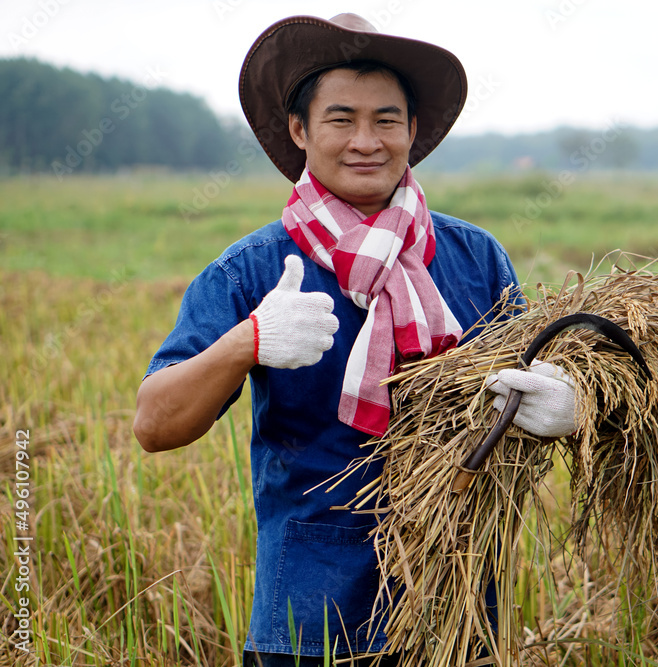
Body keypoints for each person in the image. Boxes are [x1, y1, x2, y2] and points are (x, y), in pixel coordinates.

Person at [133, 13, 577, 666]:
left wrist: (567, 406)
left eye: (386, 119)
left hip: (452, 613)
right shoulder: (253, 270)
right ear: (299, 130)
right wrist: (246, 343)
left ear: (413, 130)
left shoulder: (475, 259)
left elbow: (545, 383)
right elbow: (153, 422)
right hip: (309, 622)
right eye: (341, 119)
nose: (365, 141)